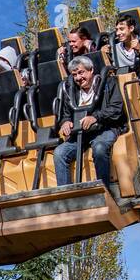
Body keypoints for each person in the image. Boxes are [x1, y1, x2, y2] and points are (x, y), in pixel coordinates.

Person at [52, 55, 127, 187]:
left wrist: (95, 117)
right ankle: (66, 194)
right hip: (81, 134)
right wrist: (65, 122)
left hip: (105, 128)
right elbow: (66, 114)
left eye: (81, 73)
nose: (78, 78)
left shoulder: (108, 83)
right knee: (59, 152)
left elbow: (116, 109)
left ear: (91, 70)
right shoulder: (71, 91)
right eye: (74, 75)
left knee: (99, 148)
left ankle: (105, 190)